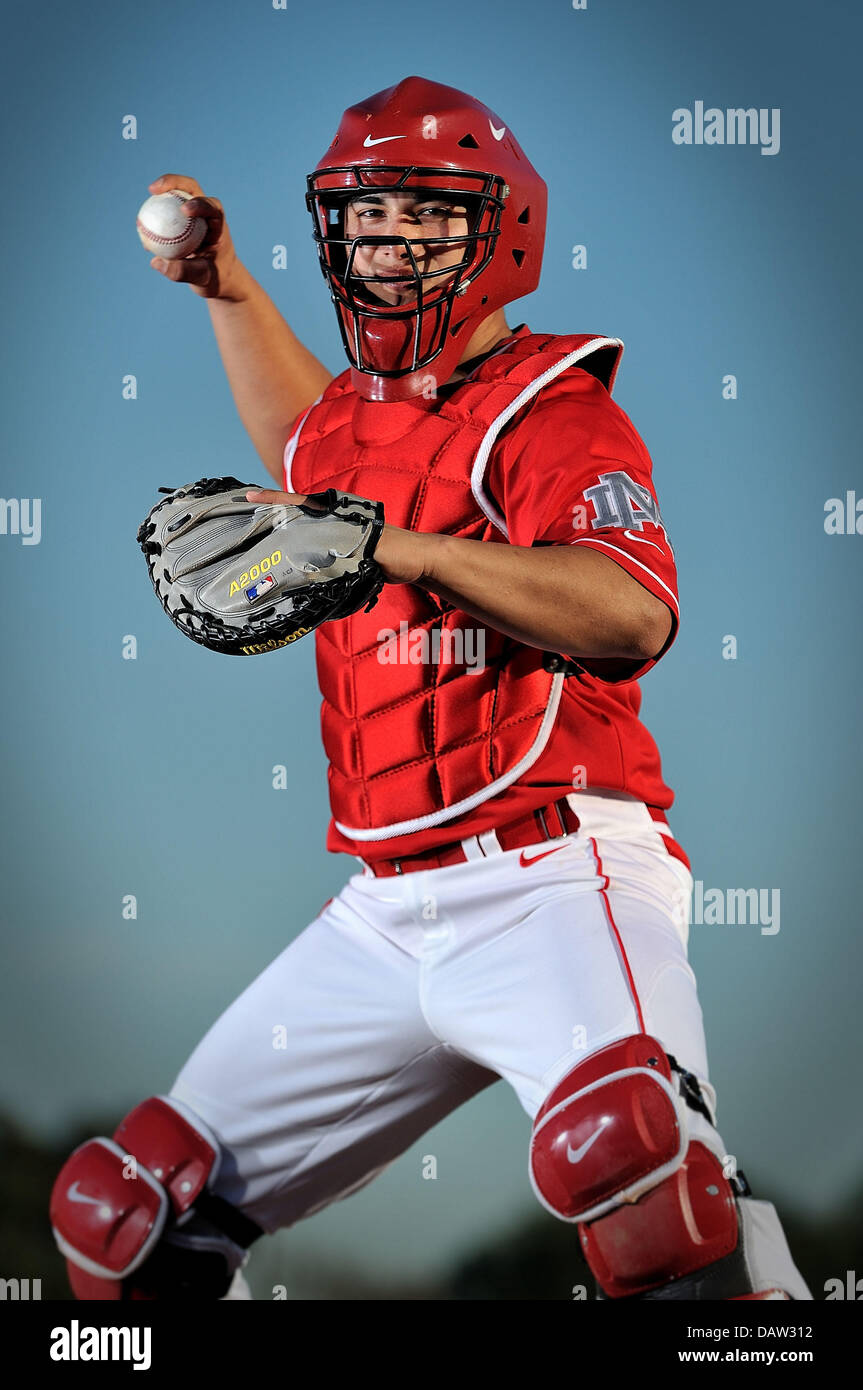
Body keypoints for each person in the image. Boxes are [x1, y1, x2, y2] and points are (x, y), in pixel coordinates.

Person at [50, 75, 811, 1301]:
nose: (384, 241)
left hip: (556, 874)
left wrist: (396, 550)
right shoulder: (356, 423)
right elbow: (310, 449)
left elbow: (631, 609)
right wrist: (229, 289)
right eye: (362, 216)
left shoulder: (552, 409)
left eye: (419, 215)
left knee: (646, 1190)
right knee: (135, 1221)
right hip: (385, 908)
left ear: (498, 230)